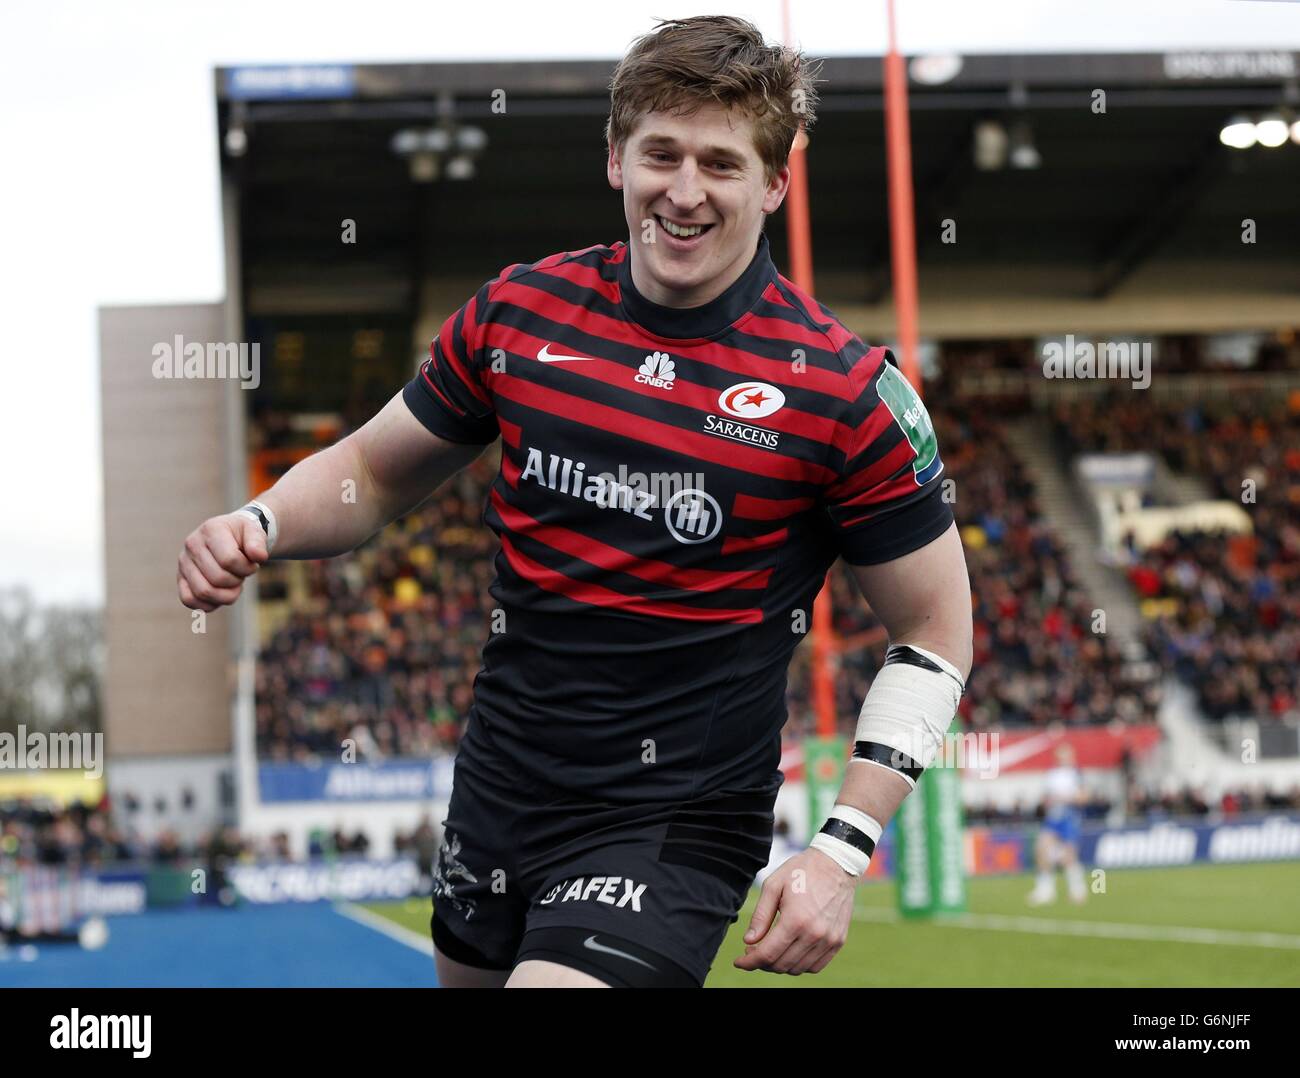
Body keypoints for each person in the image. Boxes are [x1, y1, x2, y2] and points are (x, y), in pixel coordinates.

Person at [177, 15, 972, 987]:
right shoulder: (517, 314)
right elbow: (375, 473)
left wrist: (840, 848)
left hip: (673, 819)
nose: (684, 192)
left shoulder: (844, 392)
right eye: (661, 154)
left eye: (720, 164)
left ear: (773, 182)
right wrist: (258, 522)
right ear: (614, 158)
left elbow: (935, 629)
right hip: (500, 789)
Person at [1028, 743, 1089, 905]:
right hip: (1053, 818)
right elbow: (1045, 797)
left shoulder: (1076, 774)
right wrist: (1045, 802)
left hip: (1069, 817)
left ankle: (1077, 889)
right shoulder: (1051, 775)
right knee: (1041, 849)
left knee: (1069, 856)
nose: (1063, 759)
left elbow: (1084, 798)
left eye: (1066, 755)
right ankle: (1046, 890)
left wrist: (1066, 798)